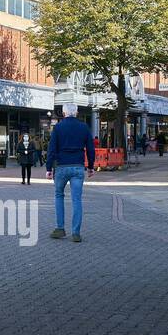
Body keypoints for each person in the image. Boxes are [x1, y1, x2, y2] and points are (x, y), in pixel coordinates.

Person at [46, 104, 96, 242]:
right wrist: (91, 167)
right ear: (77, 113)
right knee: (77, 199)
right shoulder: (84, 127)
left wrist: (49, 168)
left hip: (61, 166)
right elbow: (91, 149)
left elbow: (52, 149)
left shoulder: (58, 127)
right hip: (78, 167)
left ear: (63, 113)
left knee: (59, 195)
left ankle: (60, 228)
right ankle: (76, 233)